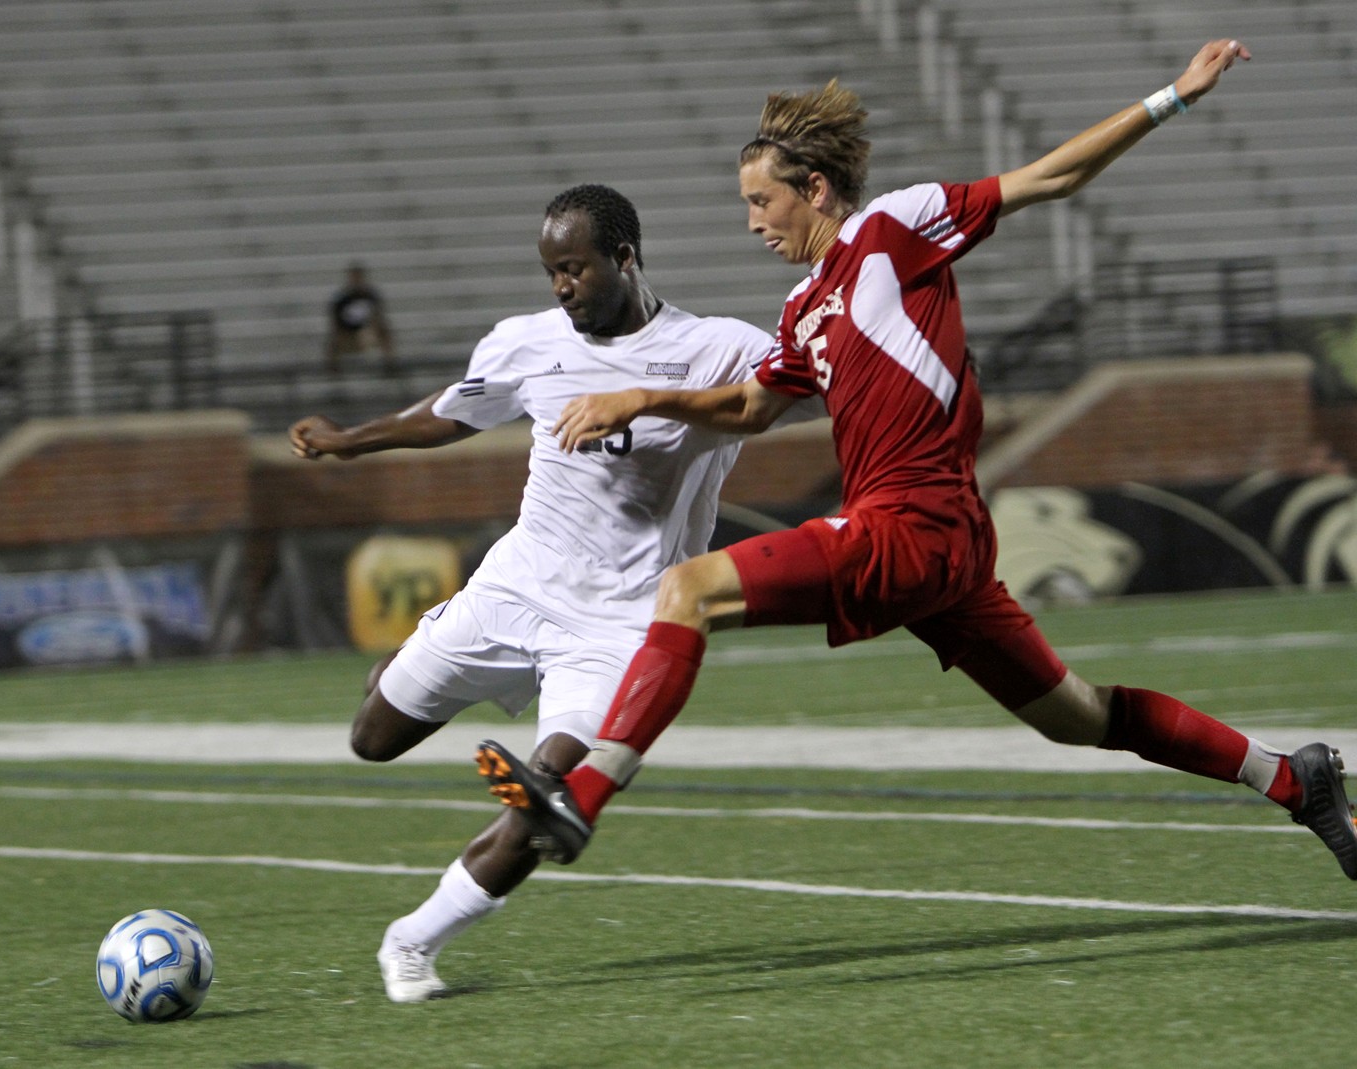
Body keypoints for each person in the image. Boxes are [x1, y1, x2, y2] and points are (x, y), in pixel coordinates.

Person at [476, 40, 1357, 885]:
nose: (751, 222)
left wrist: (1174, 96)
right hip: (938, 544)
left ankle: (580, 797)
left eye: (762, 201)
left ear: (814, 189)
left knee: (689, 591)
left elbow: (1049, 177)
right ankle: (1291, 775)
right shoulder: (800, 311)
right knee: (1079, 715)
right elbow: (750, 407)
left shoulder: (894, 227)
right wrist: (645, 398)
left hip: (912, 519)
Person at [289, 184, 816, 1002]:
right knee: (373, 734)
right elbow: (456, 412)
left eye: (574, 268)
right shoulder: (526, 342)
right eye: (551, 272)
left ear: (626, 258)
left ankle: (412, 942)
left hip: (620, 624)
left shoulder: (717, 349)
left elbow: (808, 386)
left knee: (551, 805)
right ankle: (470, 670)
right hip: (517, 585)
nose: (561, 286)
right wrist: (352, 441)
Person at [324, 262, 397, 374]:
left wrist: (371, 330)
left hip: (366, 334)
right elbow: (336, 323)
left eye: (358, 278)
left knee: (384, 333)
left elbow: (378, 318)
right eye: (354, 278)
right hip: (348, 335)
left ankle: (389, 365)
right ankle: (333, 369)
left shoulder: (370, 297)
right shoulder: (342, 299)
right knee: (333, 341)